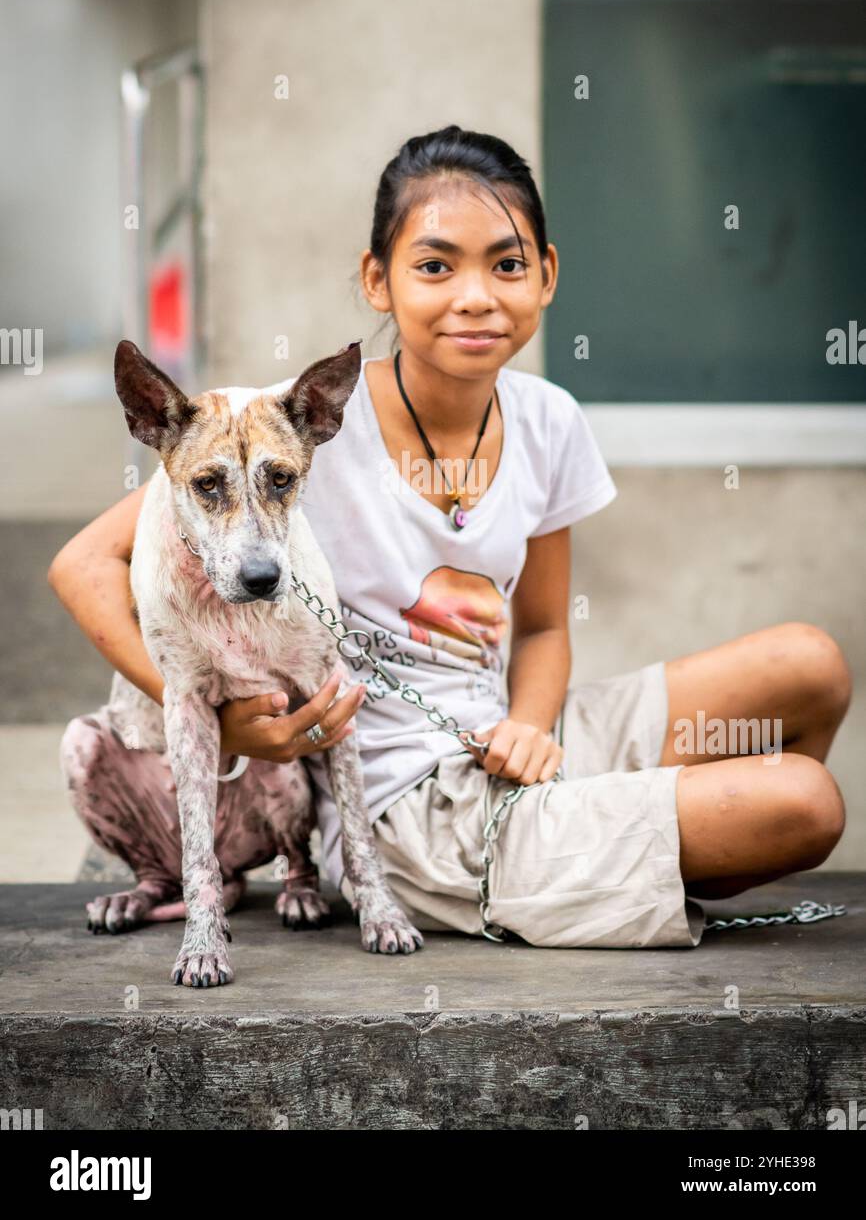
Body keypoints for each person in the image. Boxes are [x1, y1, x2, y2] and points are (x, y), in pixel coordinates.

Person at [48, 123, 850, 950]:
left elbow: (540, 626)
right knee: (804, 802)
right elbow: (83, 564)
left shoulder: (548, 418)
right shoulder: (291, 424)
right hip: (409, 806)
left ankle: (614, 841)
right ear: (377, 280)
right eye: (435, 265)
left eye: (507, 264)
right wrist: (222, 724)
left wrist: (533, 726)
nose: (475, 296)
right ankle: (607, 848)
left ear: (547, 277)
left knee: (810, 666)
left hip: (504, 730)